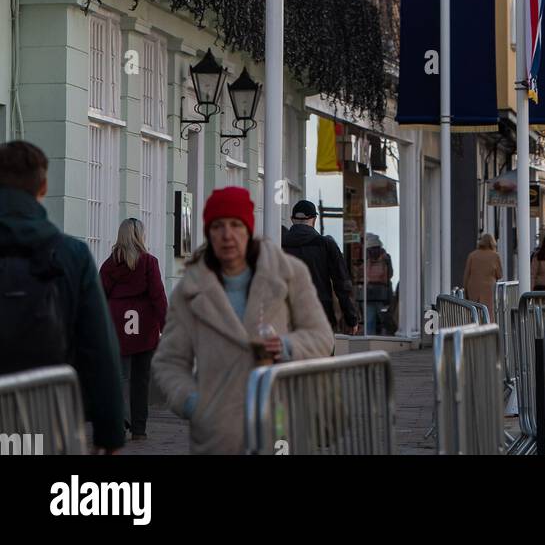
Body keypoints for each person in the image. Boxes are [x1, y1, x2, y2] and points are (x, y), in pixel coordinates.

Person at [153, 186, 333, 454]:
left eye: (236, 225)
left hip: (279, 422)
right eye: (218, 226)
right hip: (217, 433)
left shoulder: (287, 273)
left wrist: (286, 345)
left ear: (248, 230)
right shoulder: (191, 289)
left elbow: (321, 336)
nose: (227, 235)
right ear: (208, 232)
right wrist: (192, 402)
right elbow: (169, 362)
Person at [0, 140, 125, 453]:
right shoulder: (72, 254)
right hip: (51, 418)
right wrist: (110, 433)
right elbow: (99, 347)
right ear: (43, 187)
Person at [99, 217, 168, 441]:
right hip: (145, 327)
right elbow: (158, 297)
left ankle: (119, 420)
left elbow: (99, 296)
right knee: (142, 380)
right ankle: (139, 429)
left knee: (118, 377)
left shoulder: (109, 265)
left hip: (117, 325)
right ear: (140, 236)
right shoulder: (149, 263)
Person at [281, 200, 360, 334]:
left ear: (292, 219)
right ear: (314, 219)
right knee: (321, 354)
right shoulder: (326, 245)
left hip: (287, 313)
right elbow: (342, 284)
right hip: (320, 312)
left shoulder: (279, 243)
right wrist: (351, 318)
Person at [463, 234, 503, 318]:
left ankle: (474, 328)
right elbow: (499, 275)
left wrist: (465, 290)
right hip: (488, 289)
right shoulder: (495, 256)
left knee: (473, 312)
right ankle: (487, 329)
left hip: (473, 288)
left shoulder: (472, 255)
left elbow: (467, 274)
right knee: (488, 312)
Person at [361, 234, 394, 335]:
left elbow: (389, 274)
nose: (373, 252)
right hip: (370, 295)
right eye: (371, 249)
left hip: (381, 295)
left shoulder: (385, 259)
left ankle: (386, 339)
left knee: (384, 320)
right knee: (370, 321)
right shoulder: (367, 260)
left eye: (375, 249)